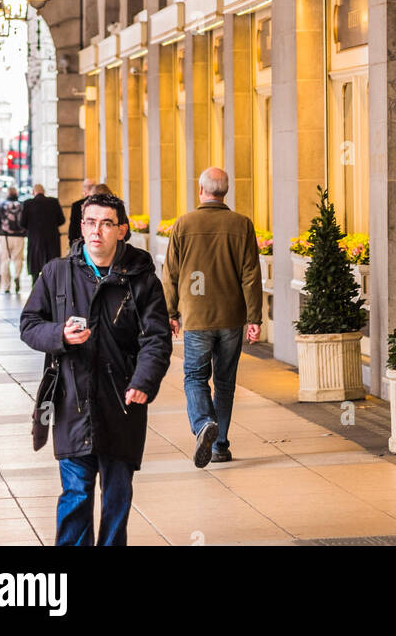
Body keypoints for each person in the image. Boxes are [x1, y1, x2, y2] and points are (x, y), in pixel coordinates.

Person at [20, 191, 172, 547]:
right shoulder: (57, 272)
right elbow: (29, 323)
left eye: (106, 223)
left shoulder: (142, 279)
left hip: (123, 402)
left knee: (118, 494)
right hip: (72, 398)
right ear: (81, 226)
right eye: (90, 222)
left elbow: (157, 338)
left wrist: (144, 381)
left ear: (121, 230)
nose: (96, 231)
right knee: (76, 493)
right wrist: (60, 334)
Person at [162, 167, 262, 467]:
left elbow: (171, 274)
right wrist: (254, 317)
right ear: (226, 191)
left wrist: (170, 312)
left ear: (201, 189)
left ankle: (204, 422)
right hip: (231, 317)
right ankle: (219, 446)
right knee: (225, 382)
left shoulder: (183, 224)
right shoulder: (241, 225)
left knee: (194, 376)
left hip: (196, 317)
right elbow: (250, 275)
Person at [21, 183, 65, 282]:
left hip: (35, 238)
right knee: (52, 264)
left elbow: (23, 223)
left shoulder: (28, 203)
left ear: (33, 192)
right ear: (44, 192)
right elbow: (61, 220)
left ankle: (35, 285)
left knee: (35, 265)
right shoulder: (53, 202)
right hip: (52, 238)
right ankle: (51, 285)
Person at [0, 184, 26, 293]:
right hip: (19, 236)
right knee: (18, 259)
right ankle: (17, 276)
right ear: (16, 194)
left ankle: (6, 286)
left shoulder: (2, 206)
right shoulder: (22, 205)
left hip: (4, 236)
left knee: (5, 261)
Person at [67, 180, 95, 247]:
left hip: (81, 243)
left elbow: (72, 228)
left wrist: (72, 244)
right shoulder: (101, 203)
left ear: (84, 190)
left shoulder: (76, 205)